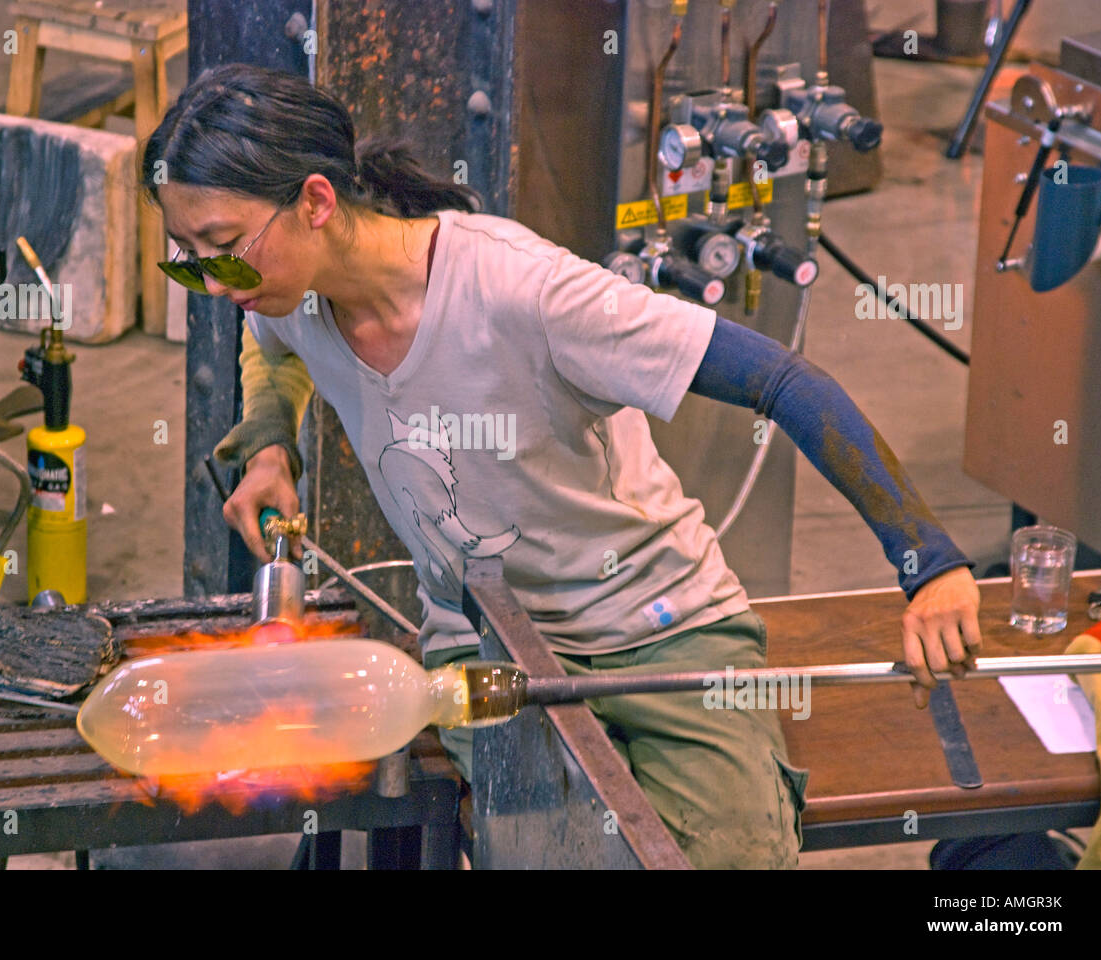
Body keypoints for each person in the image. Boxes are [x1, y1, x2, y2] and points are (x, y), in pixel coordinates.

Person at [142, 62, 983, 868]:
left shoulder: (525, 293)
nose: (214, 285)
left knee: (736, 851)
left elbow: (787, 381)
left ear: (316, 201)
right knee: (559, 845)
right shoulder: (287, 294)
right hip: (484, 641)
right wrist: (267, 444)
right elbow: (274, 353)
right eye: (191, 258)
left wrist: (930, 566)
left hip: (658, 623)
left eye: (222, 248)